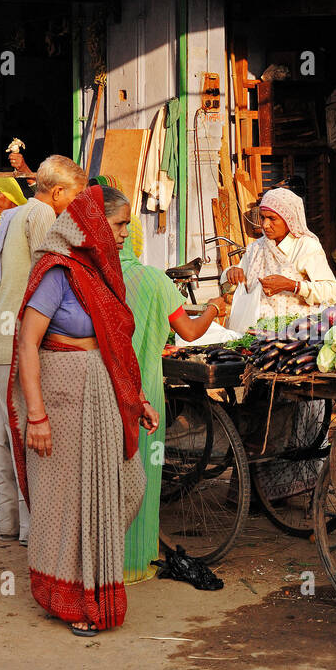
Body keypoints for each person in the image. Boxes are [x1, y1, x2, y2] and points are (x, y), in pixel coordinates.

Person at [9, 185, 159, 636]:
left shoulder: (98, 272)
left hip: (103, 391)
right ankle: (73, 600)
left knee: (125, 485)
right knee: (68, 500)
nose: (124, 233)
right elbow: (27, 343)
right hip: (61, 396)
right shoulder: (57, 270)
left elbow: (114, 345)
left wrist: (138, 399)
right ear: (93, 225)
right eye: (117, 224)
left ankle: (89, 585)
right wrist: (36, 415)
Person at [114, 189, 227, 583]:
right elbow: (191, 331)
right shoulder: (155, 281)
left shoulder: (95, 276)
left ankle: (104, 561)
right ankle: (138, 560)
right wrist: (215, 307)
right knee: (145, 471)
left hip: (104, 390)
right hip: (146, 396)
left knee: (106, 478)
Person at [0, 156, 82, 544]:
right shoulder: (40, 216)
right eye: (75, 195)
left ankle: (10, 524)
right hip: (20, 342)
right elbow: (50, 277)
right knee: (26, 440)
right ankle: (32, 531)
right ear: (57, 192)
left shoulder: (13, 216)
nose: (77, 203)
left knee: (4, 438)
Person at [223, 187, 336, 324]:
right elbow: (231, 286)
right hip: (256, 327)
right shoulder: (255, 248)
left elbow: (331, 292)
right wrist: (231, 274)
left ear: (289, 218)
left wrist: (292, 286)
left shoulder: (306, 246)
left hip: (296, 329)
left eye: (272, 218)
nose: (265, 225)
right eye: (262, 217)